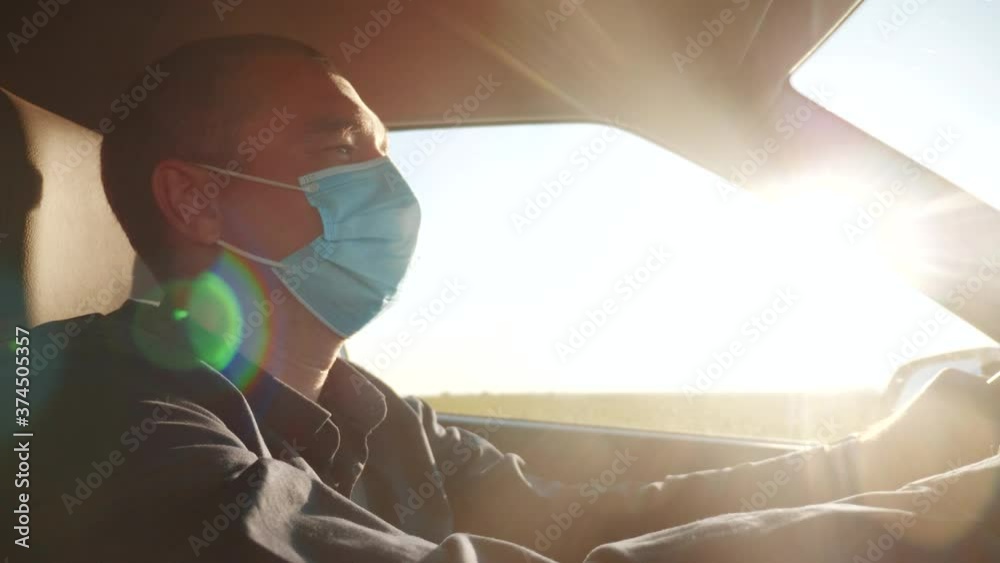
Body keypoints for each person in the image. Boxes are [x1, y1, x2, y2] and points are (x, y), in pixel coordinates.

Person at [26, 35, 1000, 563]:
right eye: (340, 150)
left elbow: (579, 515)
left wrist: (892, 451)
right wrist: (926, 516)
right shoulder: (89, 420)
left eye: (388, 153)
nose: (392, 194)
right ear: (195, 195)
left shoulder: (379, 417)